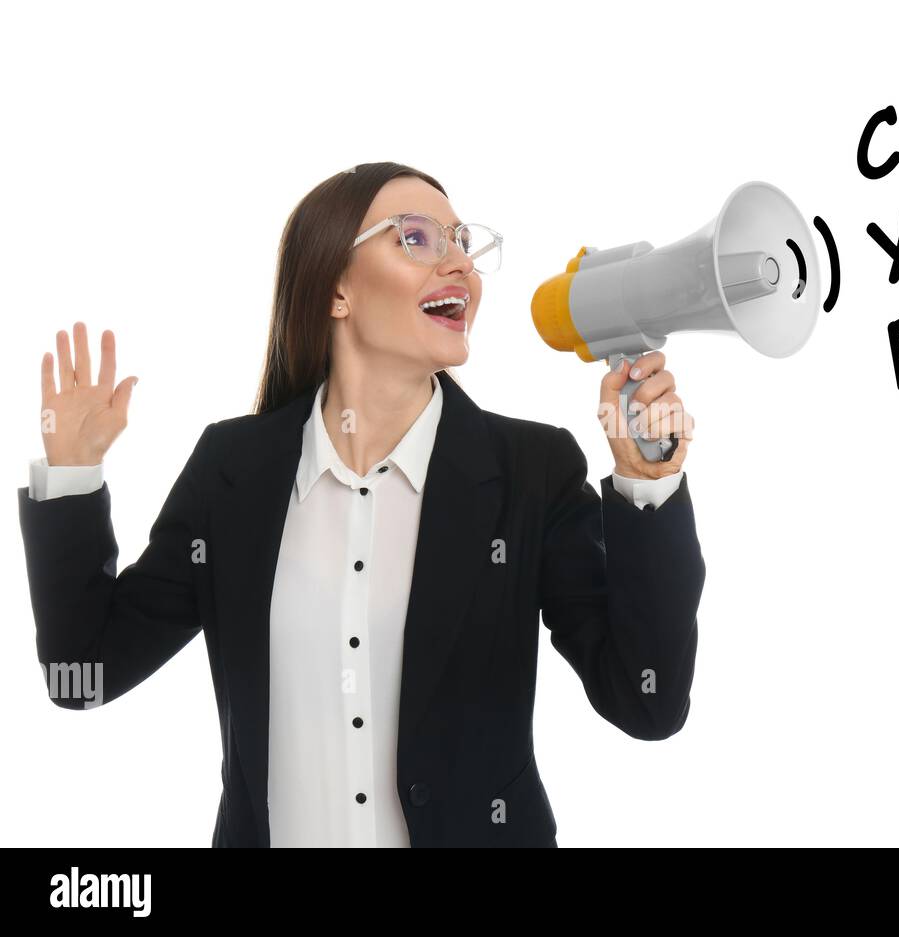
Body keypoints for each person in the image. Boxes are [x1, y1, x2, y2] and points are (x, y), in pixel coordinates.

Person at [17, 161, 706, 847]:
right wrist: (73, 474)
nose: (460, 265)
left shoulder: (531, 473)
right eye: (418, 237)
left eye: (462, 241)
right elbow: (84, 672)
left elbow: (647, 701)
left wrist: (646, 483)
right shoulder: (233, 473)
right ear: (336, 289)